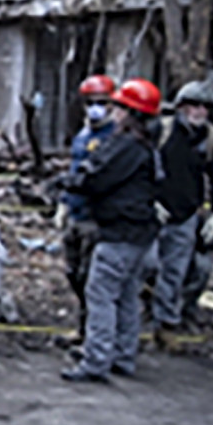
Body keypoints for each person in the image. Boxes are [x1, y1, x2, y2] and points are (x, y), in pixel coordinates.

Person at [61, 78, 163, 382]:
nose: (111, 110)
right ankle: (122, 355)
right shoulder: (145, 145)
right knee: (127, 295)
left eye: (117, 105)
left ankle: (96, 360)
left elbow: (96, 178)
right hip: (139, 233)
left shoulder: (125, 145)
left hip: (120, 231)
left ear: (129, 111)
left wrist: (67, 184)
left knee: (101, 294)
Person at [149, 81, 213, 346]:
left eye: (206, 107)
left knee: (176, 271)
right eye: (194, 105)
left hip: (186, 214)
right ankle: (133, 319)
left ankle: (166, 325)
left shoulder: (211, 138)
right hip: (152, 210)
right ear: (181, 106)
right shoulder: (160, 129)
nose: (200, 111)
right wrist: (146, 199)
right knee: (143, 265)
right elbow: (139, 163)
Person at [61, 74, 116, 340]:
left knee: (92, 278)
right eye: (90, 102)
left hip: (96, 218)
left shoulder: (115, 138)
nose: (95, 108)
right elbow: (74, 169)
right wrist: (64, 205)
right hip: (76, 212)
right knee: (74, 274)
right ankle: (84, 327)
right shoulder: (83, 135)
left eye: (102, 102)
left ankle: (93, 334)